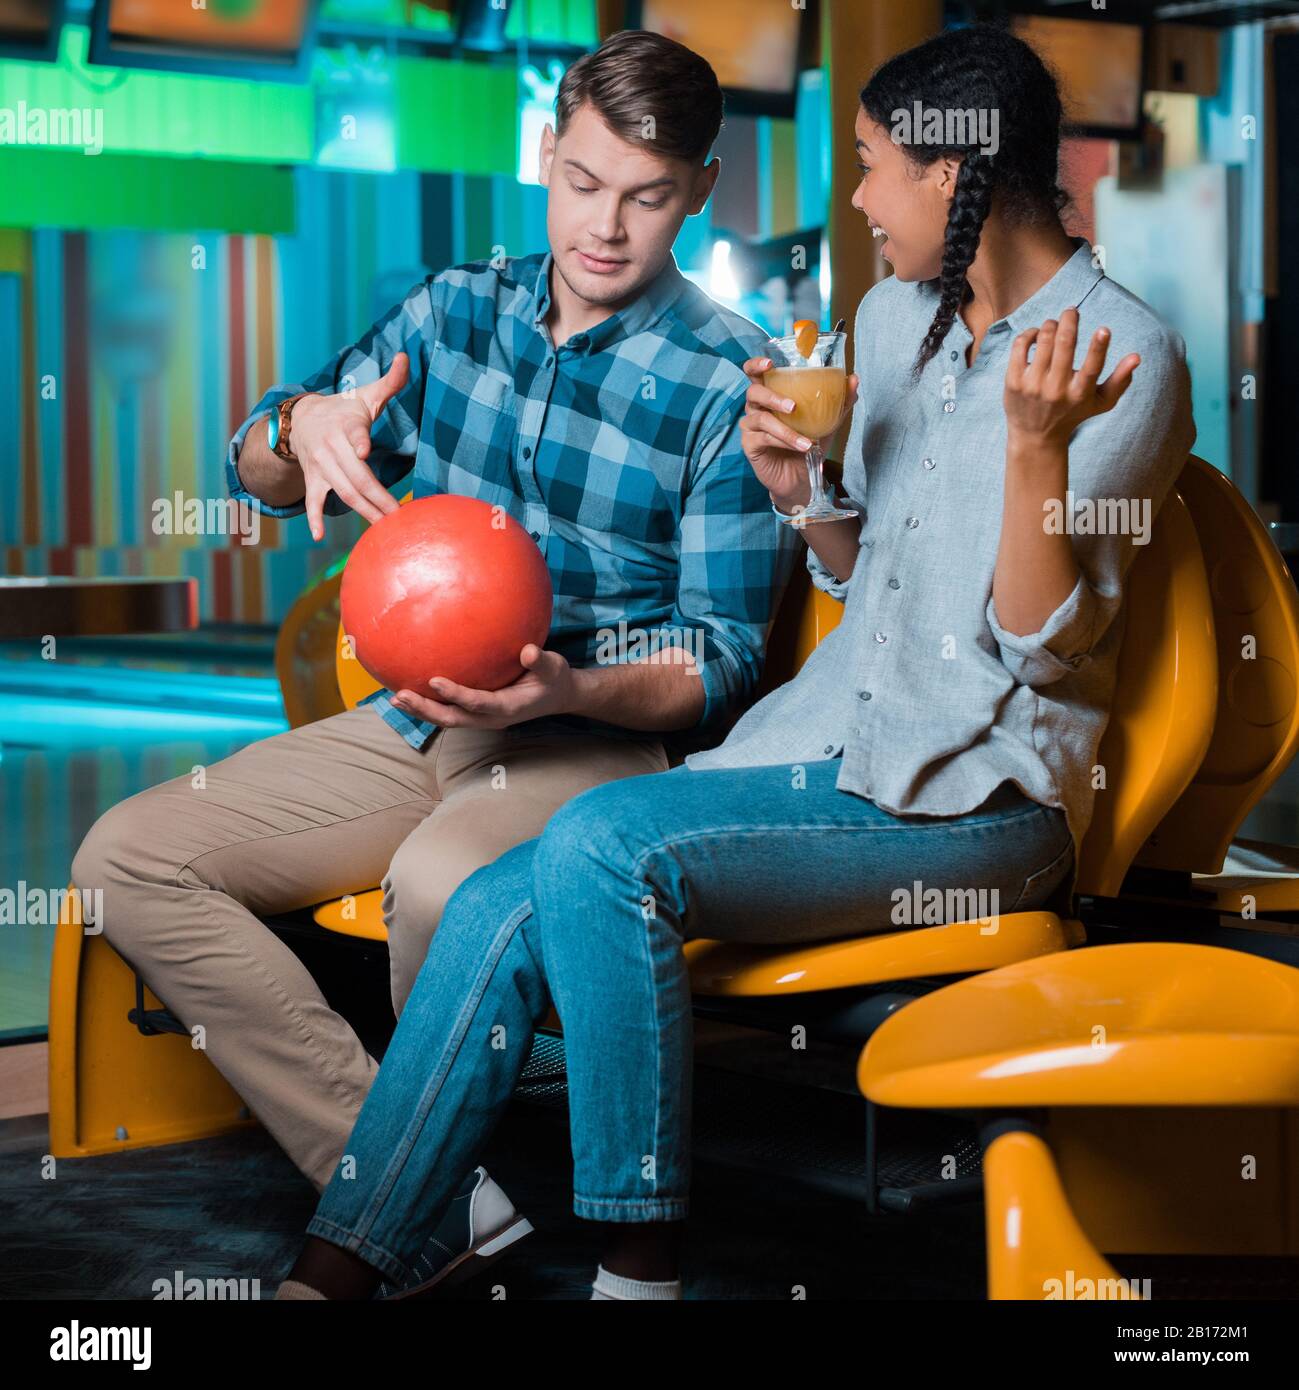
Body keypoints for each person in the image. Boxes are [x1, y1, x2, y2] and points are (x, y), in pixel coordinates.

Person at [274, 24, 1196, 1300]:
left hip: (983, 800)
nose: (861, 196)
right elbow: (856, 567)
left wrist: (1038, 452)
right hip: (819, 764)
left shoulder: (1127, 356)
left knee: (601, 840)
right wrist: (801, 490)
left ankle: (637, 1268)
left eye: (875, 167)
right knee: (494, 903)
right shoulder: (891, 318)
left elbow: (1045, 642)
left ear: (950, 172)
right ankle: (335, 1270)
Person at [70, 28, 798, 1289]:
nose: (607, 227)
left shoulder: (734, 379)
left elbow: (724, 657)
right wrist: (299, 423)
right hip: (415, 721)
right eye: (582, 182)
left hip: (591, 734)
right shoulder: (453, 309)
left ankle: (406, 1197)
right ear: (545, 157)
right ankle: (427, 1190)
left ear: (702, 189)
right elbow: (249, 464)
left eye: (648, 195)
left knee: (439, 884)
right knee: (129, 857)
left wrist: (567, 687)